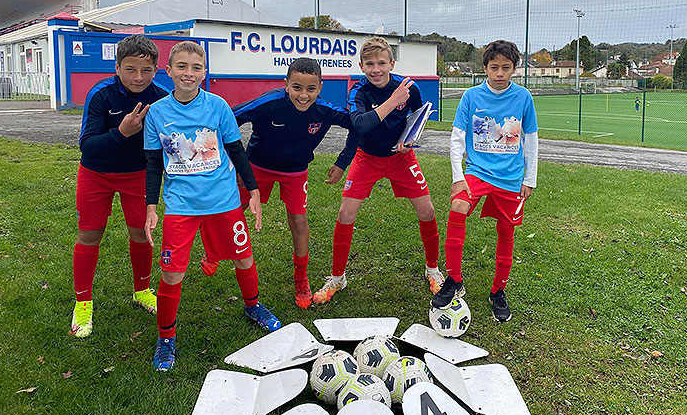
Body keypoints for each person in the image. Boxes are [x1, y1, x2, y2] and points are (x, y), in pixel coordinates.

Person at [144, 41, 281, 372]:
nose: (188, 73)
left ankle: (253, 305)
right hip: (181, 206)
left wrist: (253, 191)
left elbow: (237, 151)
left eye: (196, 68)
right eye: (182, 67)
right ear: (169, 71)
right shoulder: (157, 113)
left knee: (244, 257)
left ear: (204, 73)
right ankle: (165, 337)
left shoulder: (218, 106)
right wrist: (151, 206)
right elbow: (152, 165)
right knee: (171, 273)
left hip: (224, 201)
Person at [199, 57, 358, 308]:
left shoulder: (325, 111)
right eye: (297, 87)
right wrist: (239, 163)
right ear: (286, 84)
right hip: (257, 167)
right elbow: (226, 122)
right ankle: (215, 250)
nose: (303, 95)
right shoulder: (269, 103)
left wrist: (342, 162)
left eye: (310, 89)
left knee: (299, 221)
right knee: (231, 211)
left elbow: (358, 126)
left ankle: (301, 279)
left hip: (295, 172)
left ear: (320, 88)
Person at [313, 36, 442, 304]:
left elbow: (419, 116)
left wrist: (410, 140)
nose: (376, 69)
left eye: (382, 63)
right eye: (370, 64)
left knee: (427, 210)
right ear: (361, 65)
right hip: (367, 158)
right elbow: (359, 125)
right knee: (346, 213)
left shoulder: (408, 88)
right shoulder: (358, 91)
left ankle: (433, 271)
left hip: (400, 159)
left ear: (391, 63)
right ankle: (337, 278)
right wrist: (393, 100)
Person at [431, 40, 538, 322]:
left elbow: (531, 141)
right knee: (457, 206)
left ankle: (498, 291)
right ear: (485, 68)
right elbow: (456, 137)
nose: (500, 73)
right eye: (494, 67)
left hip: (510, 177)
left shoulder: (524, 97)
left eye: (506, 67)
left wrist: (530, 179)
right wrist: (458, 177)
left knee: (506, 231)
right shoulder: (471, 96)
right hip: (477, 172)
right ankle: (453, 280)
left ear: (515, 68)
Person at [71, 34, 168, 338]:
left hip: (136, 175)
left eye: (146, 70)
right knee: (90, 233)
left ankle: (141, 290)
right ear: (117, 67)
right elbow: (86, 146)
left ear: (156, 69)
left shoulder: (163, 97)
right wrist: (122, 132)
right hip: (96, 174)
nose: (138, 77)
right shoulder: (101, 94)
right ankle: (83, 301)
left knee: (141, 233)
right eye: (130, 69)